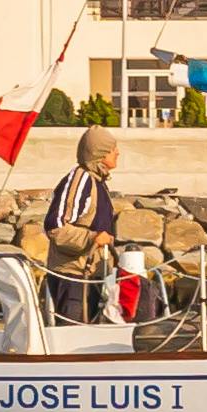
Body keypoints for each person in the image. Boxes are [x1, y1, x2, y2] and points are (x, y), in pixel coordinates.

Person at [44, 121, 128, 329]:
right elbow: (56, 228)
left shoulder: (98, 181)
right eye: (111, 149)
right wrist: (91, 238)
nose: (117, 153)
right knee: (71, 334)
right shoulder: (80, 180)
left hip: (93, 276)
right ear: (100, 154)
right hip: (72, 278)